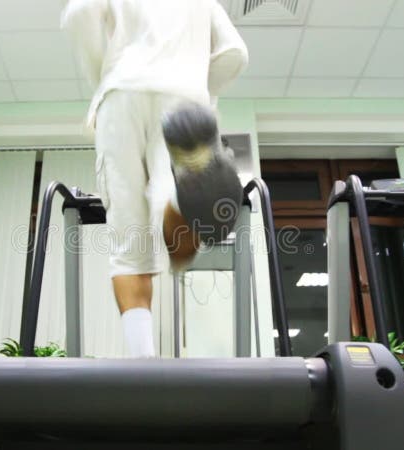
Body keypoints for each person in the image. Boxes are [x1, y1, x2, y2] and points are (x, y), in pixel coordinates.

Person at [61, 0, 248, 357]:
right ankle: (174, 201)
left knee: (129, 248)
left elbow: (79, 13)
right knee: (168, 184)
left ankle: (142, 362)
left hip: (120, 95)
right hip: (184, 99)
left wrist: (103, 75)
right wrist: (200, 90)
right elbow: (235, 53)